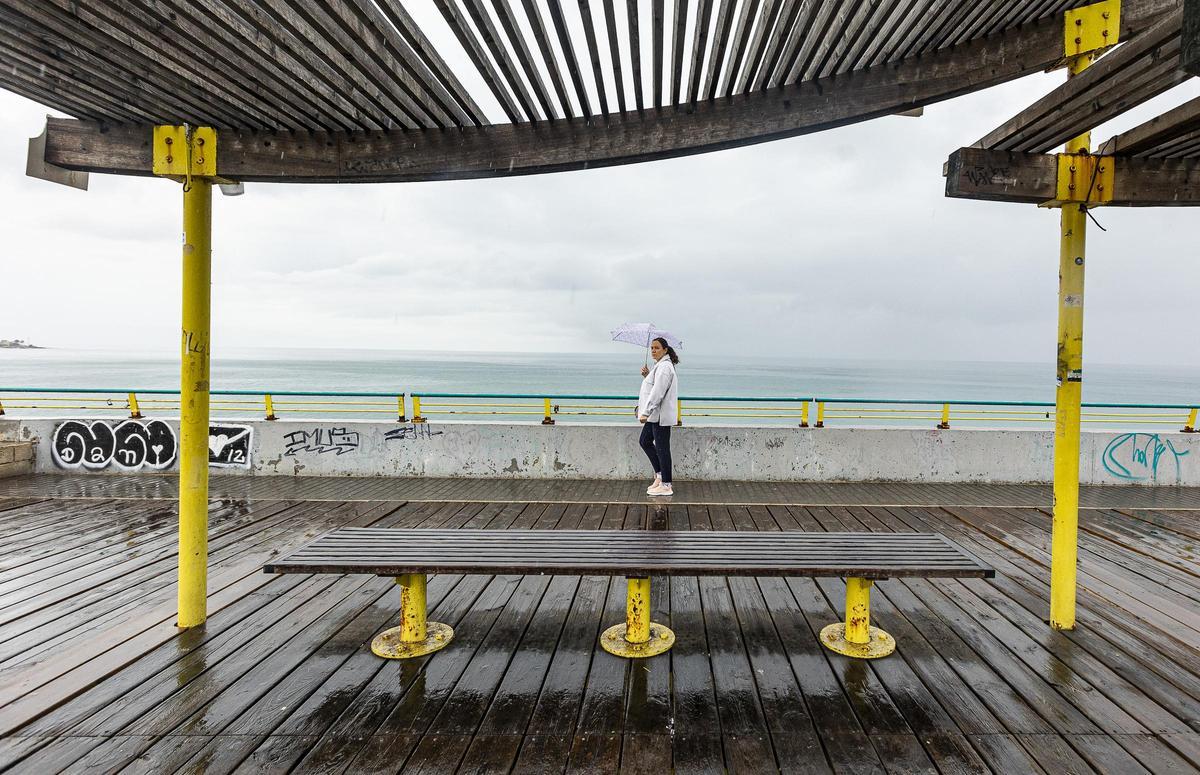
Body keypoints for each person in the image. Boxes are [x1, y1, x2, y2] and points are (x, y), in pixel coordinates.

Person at [638, 337, 680, 496]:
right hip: (655, 415)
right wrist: (648, 376)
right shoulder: (660, 366)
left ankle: (666, 485)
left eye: (656, 348)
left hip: (659, 415)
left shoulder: (664, 367)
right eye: (652, 348)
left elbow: (658, 393)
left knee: (663, 449)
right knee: (645, 441)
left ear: (665, 350)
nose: (653, 351)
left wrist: (646, 412)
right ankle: (660, 475)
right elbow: (656, 386)